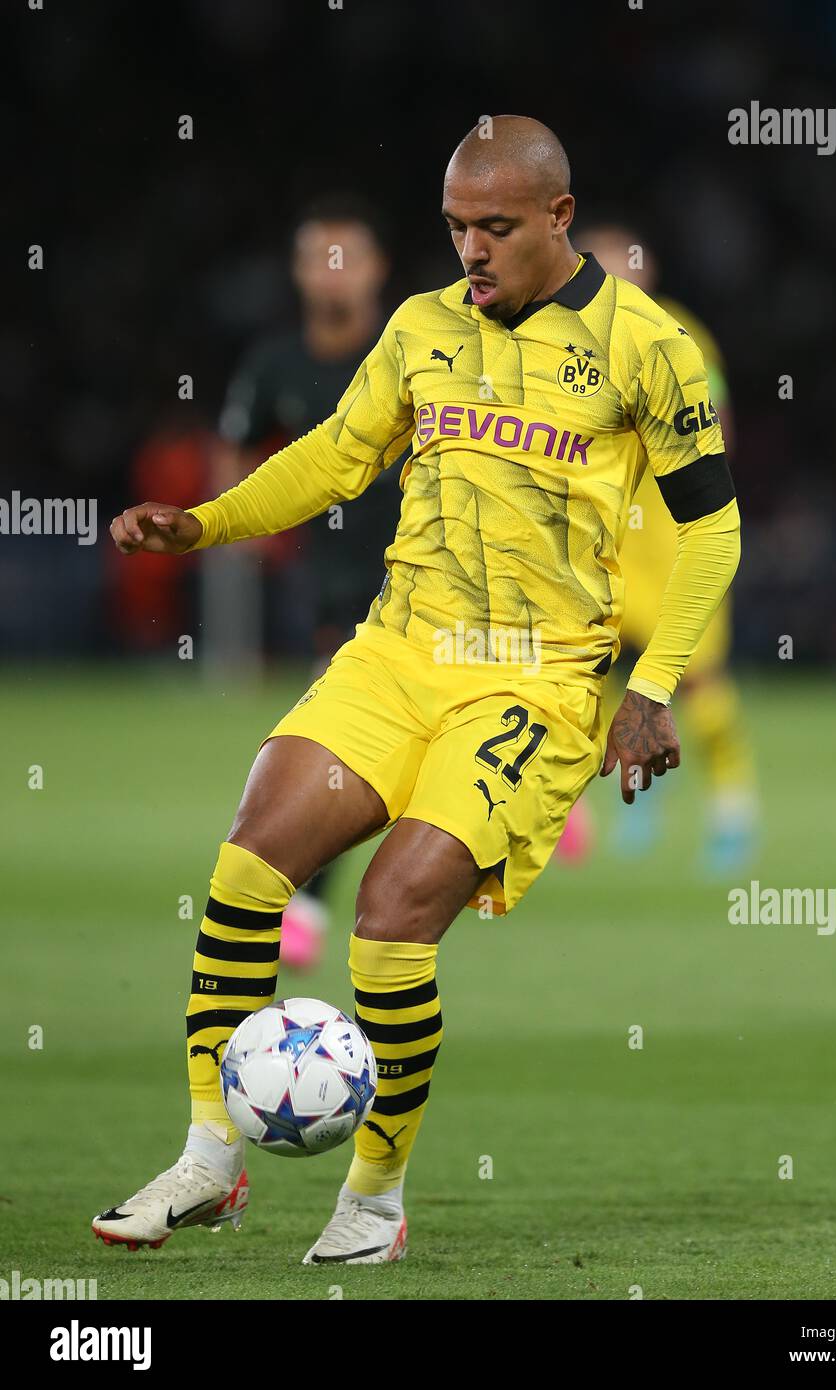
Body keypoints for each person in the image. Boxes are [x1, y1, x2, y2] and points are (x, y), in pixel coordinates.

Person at [97, 115, 741, 1265]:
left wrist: (648, 687)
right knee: (245, 866)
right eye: (453, 229)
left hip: (535, 683)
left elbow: (711, 529)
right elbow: (336, 456)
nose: (471, 252)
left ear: (557, 217)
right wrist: (203, 520)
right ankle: (207, 1158)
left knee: (391, 920)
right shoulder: (419, 329)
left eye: (494, 228)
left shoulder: (645, 346)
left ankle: (375, 1199)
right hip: (397, 649)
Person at [217, 196, 403, 968]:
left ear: (376, 271)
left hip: (432, 575)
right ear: (298, 273)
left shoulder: (411, 352)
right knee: (343, 744)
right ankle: (318, 901)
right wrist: (250, 528)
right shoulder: (274, 367)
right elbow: (231, 448)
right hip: (333, 589)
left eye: (348, 256)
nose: (334, 273)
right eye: (319, 257)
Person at [571, 222, 759, 871]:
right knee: (591, 669)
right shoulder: (568, 337)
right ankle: (625, 800)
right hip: (607, 539)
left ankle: (733, 804)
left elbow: (720, 435)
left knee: (699, 677)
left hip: (677, 536)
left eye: (627, 263)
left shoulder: (680, 335)